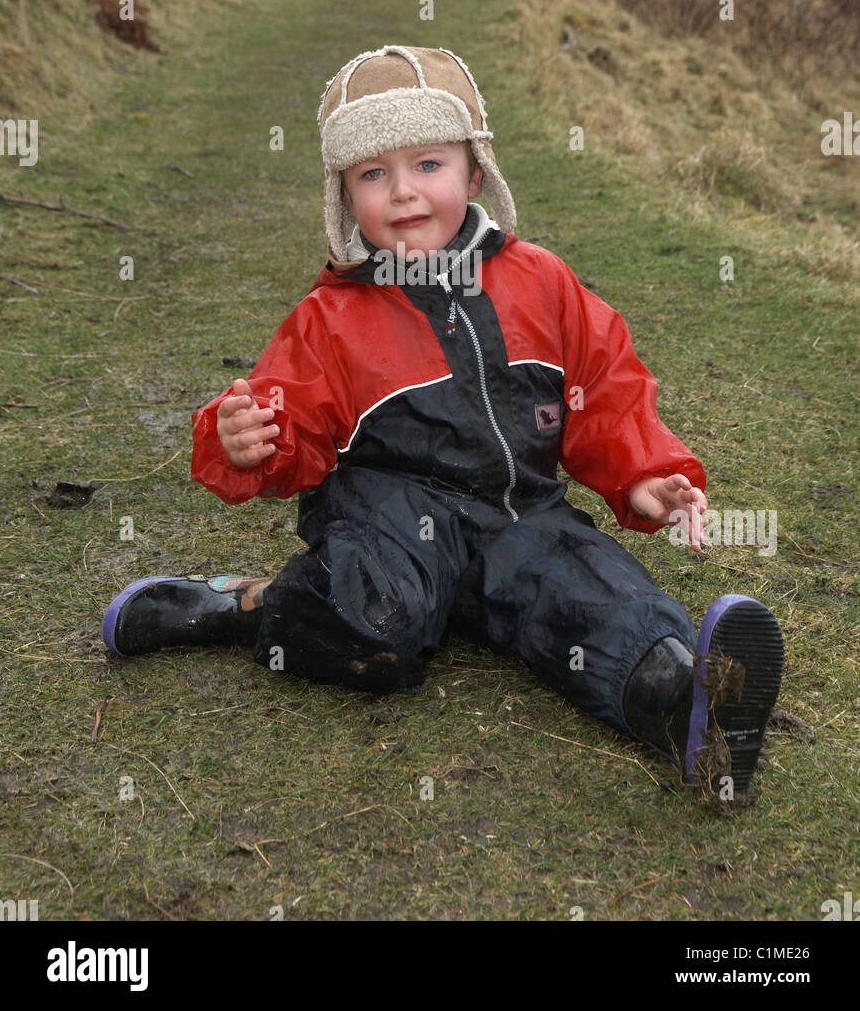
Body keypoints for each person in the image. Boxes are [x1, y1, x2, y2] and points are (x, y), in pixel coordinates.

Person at [102, 44, 784, 795]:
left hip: (520, 517)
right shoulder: (330, 319)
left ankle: (684, 705)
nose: (401, 193)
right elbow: (283, 425)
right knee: (372, 628)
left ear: (475, 170)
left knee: (604, 597)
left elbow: (607, 386)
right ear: (342, 199)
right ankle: (246, 605)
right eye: (372, 174)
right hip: (390, 519)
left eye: (427, 164)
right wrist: (242, 443)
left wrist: (648, 472)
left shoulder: (542, 281)